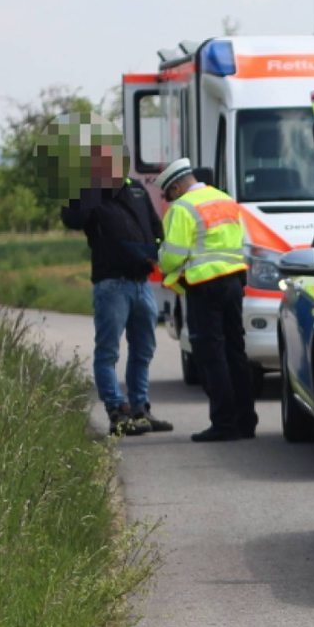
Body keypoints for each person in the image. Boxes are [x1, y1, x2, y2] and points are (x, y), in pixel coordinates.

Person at [60, 144, 172, 434]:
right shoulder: (90, 191)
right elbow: (72, 219)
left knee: (143, 349)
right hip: (112, 284)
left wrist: (151, 252)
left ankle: (140, 409)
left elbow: (155, 229)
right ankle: (116, 411)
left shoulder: (135, 189)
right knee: (108, 351)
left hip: (141, 283)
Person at [156, 157, 258, 442]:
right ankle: (245, 421)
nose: (167, 200)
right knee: (235, 351)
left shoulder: (183, 208)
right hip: (234, 282)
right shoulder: (225, 199)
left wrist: (161, 258)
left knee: (211, 354)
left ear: (175, 187)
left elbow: (173, 254)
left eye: (167, 194)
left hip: (204, 286)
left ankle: (224, 423)